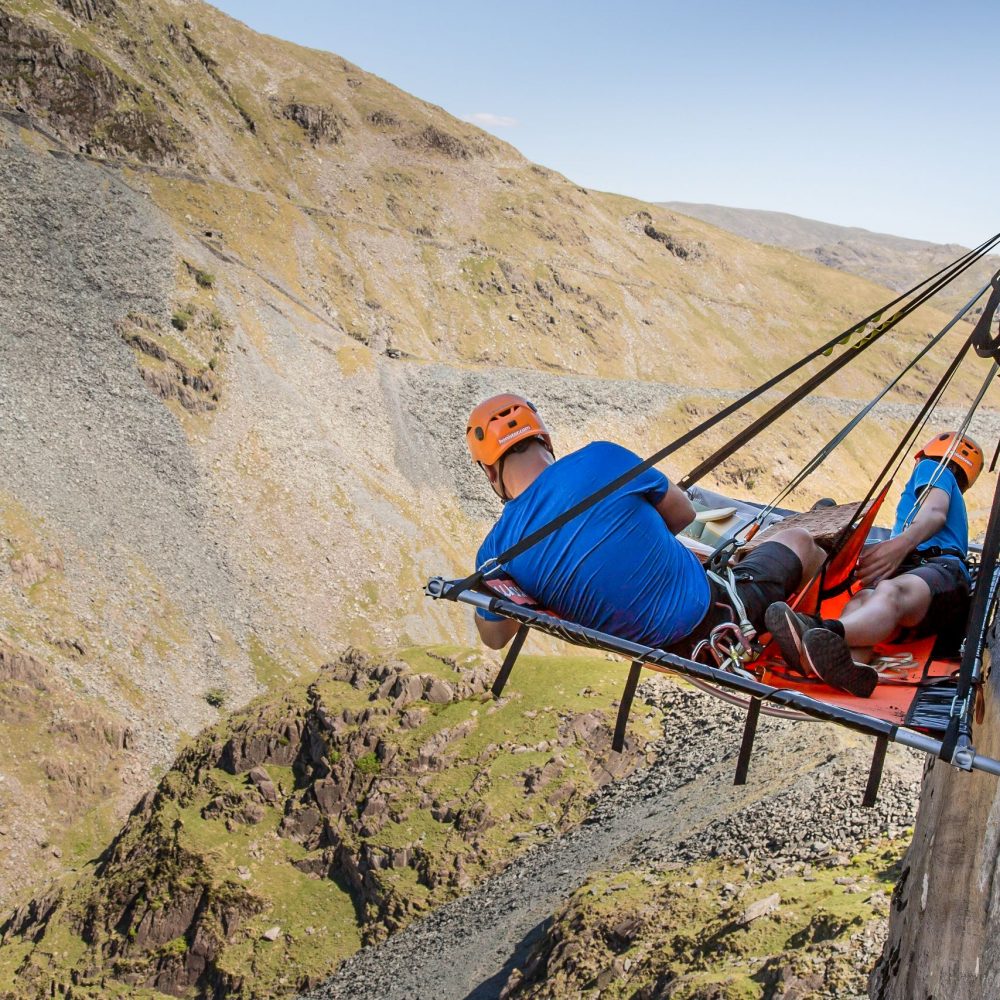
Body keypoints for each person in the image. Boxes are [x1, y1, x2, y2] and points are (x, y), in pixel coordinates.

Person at [466, 393, 825, 657]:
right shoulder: (602, 457)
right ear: (544, 439)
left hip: (663, 653)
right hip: (719, 614)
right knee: (800, 539)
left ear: (490, 471)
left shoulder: (497, 552)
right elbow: (683, 514)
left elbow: (494, 638)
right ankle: (817, 634)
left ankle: (806, 636)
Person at [765, 432, 983, 697]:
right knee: (863, 601)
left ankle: (821, 630)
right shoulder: (952, 499)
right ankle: (848, 666)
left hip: (938, 568)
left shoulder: (934, 467)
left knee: (888, 592)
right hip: (931, 595)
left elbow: (934, 514)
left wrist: (900, 544)